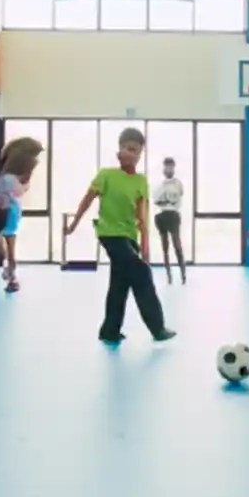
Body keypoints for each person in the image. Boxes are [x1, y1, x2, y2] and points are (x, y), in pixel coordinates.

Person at [67, 128, 177, 344]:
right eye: (126, 148)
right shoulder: (106, 175)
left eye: (135, 150)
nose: (130, 153)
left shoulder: (140, 181)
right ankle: (158, 328)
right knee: (141, 273)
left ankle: (109, 330)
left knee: (120, 283)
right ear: (119, 151)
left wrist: (145, 247)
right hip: (109, 235)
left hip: (129, 237)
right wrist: (73, 225)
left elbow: (142, 216)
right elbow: (87, 199)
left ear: (140, 154)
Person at [0, 137, 42, 293]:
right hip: (10, 212)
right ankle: (11, 276)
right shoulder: (11, 179)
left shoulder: (2, 176)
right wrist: (25, 183)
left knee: (3, 243)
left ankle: (10, 274)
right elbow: (20, 191)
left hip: (2, 211)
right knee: (10, 246)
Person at [153, 157, 188, 285]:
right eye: (166, 167)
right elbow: (156, 200)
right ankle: (169, 275)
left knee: (177, 245)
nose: (168, 169)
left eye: (171, 167)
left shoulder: (177, 183)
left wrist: (168, 200)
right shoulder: (160, 184)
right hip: (162, 215)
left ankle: (183, 273)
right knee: (165, 247)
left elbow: (177, 196)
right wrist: (165, 200)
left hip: (173, 215)